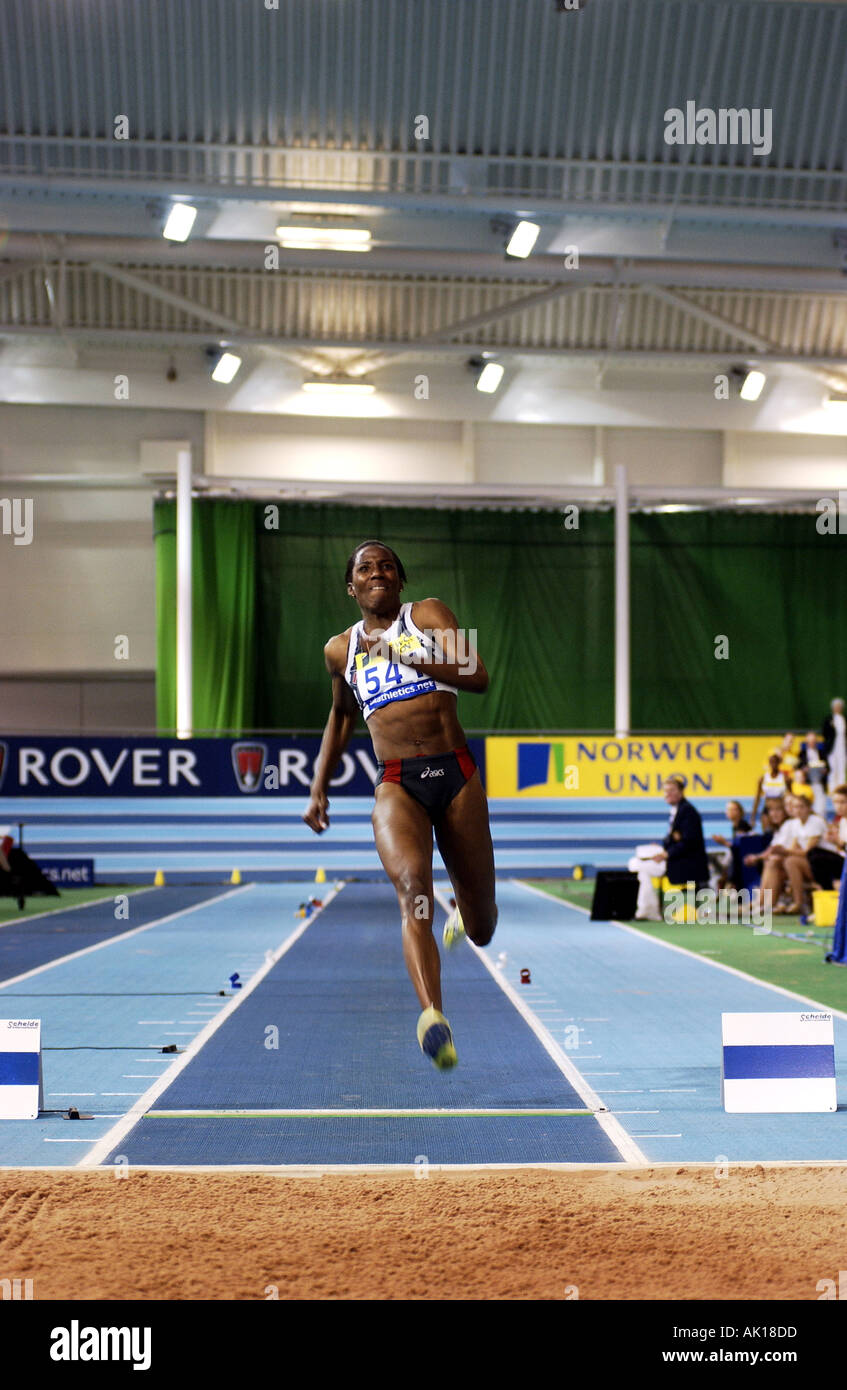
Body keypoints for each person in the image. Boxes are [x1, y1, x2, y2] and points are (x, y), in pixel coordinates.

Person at [303, 540, 497, 1071]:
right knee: (413, 888)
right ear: (352, 586)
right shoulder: (339, 650)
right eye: (366, 568)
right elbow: (342, 716)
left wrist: (407, 654)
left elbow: (478, 675)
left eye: (387, 565)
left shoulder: (427, 614)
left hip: (455, 773)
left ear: (399, 580)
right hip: (397, 783)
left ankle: (467, 914)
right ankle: (433, 1016)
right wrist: (319, 785)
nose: (377, 572)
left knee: (482, 928)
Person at [628, 775, 709, 921]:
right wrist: (661, 847)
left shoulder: (688, 812)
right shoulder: (677, 811)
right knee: (638, 865)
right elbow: (675, 840)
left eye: (671, 790)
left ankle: (649, 910)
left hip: (686, 863)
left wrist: (666, 854)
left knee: (639, 866)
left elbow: (688, 843)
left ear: (681, 792)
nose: (667, 794)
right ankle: (648, 909)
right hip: (675, 858)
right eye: (665, 791)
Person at [808, 785, 847, 891]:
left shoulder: (815, 822)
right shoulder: (791, 824)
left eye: (842, 802)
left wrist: (837, 842)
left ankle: (828, 888)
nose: (838, 806)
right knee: (771, 866)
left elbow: (804, 850)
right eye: (835, 802)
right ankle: (766, 904)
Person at [712, 800, 752, 890]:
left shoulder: (742, 825)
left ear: (740, 812)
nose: (729, 812)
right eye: (728, 809)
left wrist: (723, 842)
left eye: (732, 809)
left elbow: (739, 847)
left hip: (743, 860)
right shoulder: (735, 826)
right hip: (737, 858)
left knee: (727, 860)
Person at [751, 750, 791, 822]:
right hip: (767, 807)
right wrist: (753, 815)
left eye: (775, 762)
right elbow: (757, 797)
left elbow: (791, 795)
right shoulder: (763, 778)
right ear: (769, 763)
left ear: (779, 763)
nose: (774, 764)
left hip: (780, 807)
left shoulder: (785, 778)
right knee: (767, 830)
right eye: (771, 762)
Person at [796, 731, 829, 816]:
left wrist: (825, 770)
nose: (812, 743)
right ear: (807, 742)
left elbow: (828, 767)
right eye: (810, 741)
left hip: (819, 783)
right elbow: (797, 768)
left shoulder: (822, 753)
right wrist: (804, 770)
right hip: (807, 784)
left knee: (821, 807)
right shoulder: (801, 754)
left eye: (814, 741)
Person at [823, 698, 847, 793]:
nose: (837, 708)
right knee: (833, 769)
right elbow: (825, 733)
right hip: (832, 748)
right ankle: (832, 791)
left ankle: (842, 790)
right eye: (836, 707)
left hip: (843, 748)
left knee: (842, 768)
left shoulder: (844, 719)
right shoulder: (828, 719)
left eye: (839, 707)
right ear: (833, 708)